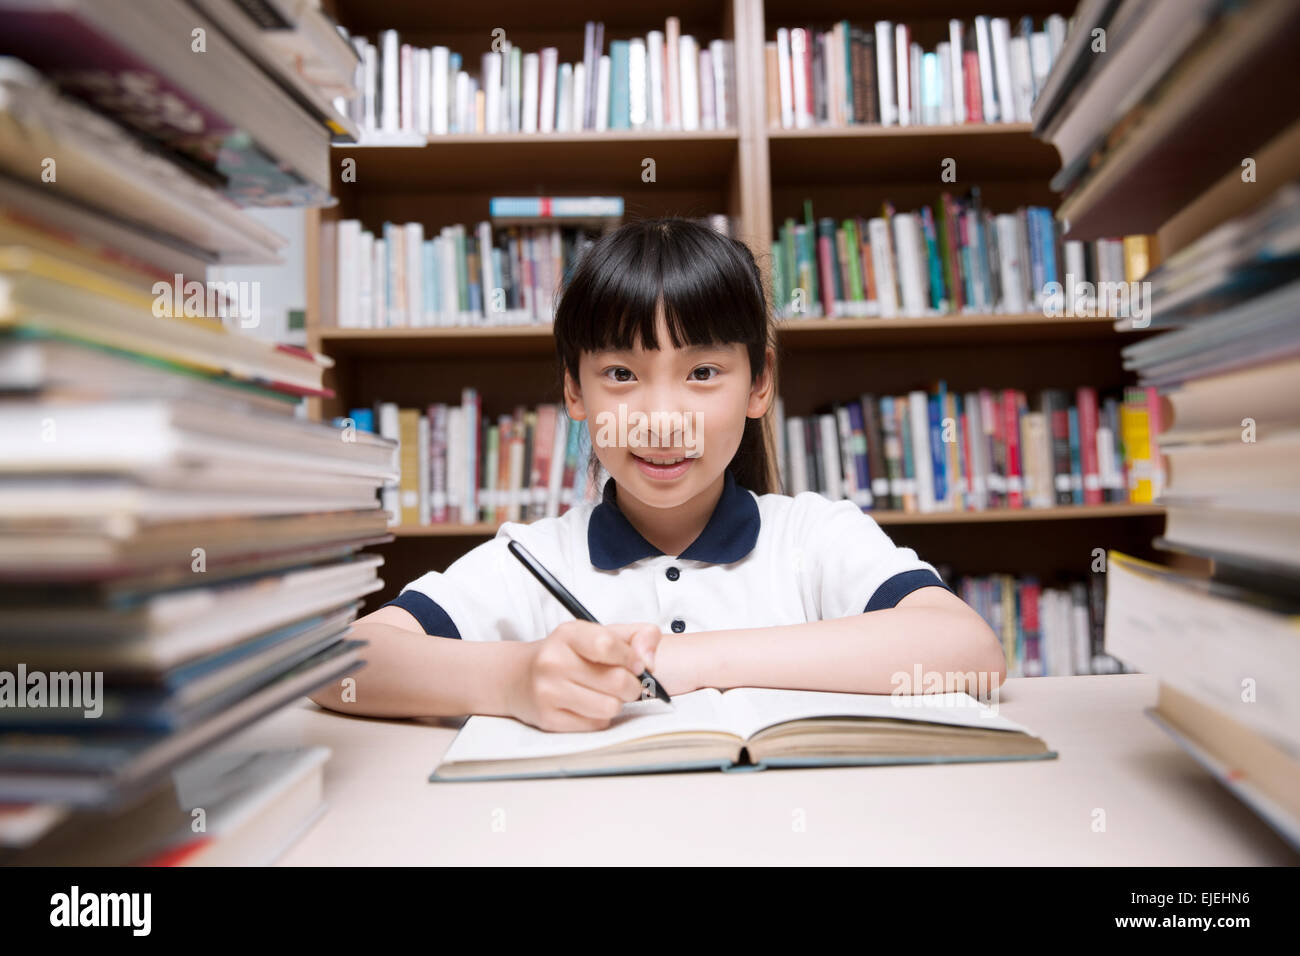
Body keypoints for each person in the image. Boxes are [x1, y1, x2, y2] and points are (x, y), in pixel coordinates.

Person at [310, 218, 1005, 730]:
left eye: (703, 373)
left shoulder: (814, 536)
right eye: (621, 374)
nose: (662, 418)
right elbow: (342, 665)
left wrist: (686, 661)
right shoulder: (532, 558)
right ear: (574, 393)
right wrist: (516, 678)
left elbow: (969, 653)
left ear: (759, 385)